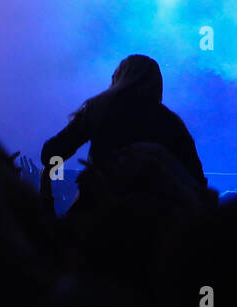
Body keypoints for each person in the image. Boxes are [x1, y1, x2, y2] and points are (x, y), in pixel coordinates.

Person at [39, 55, 209, 215]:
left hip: (100, 213)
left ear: (118, 78)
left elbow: (53, 152)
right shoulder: (170, 122)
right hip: (154, 220)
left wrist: (50, 178)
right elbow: (196, 178)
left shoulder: (98, 110)